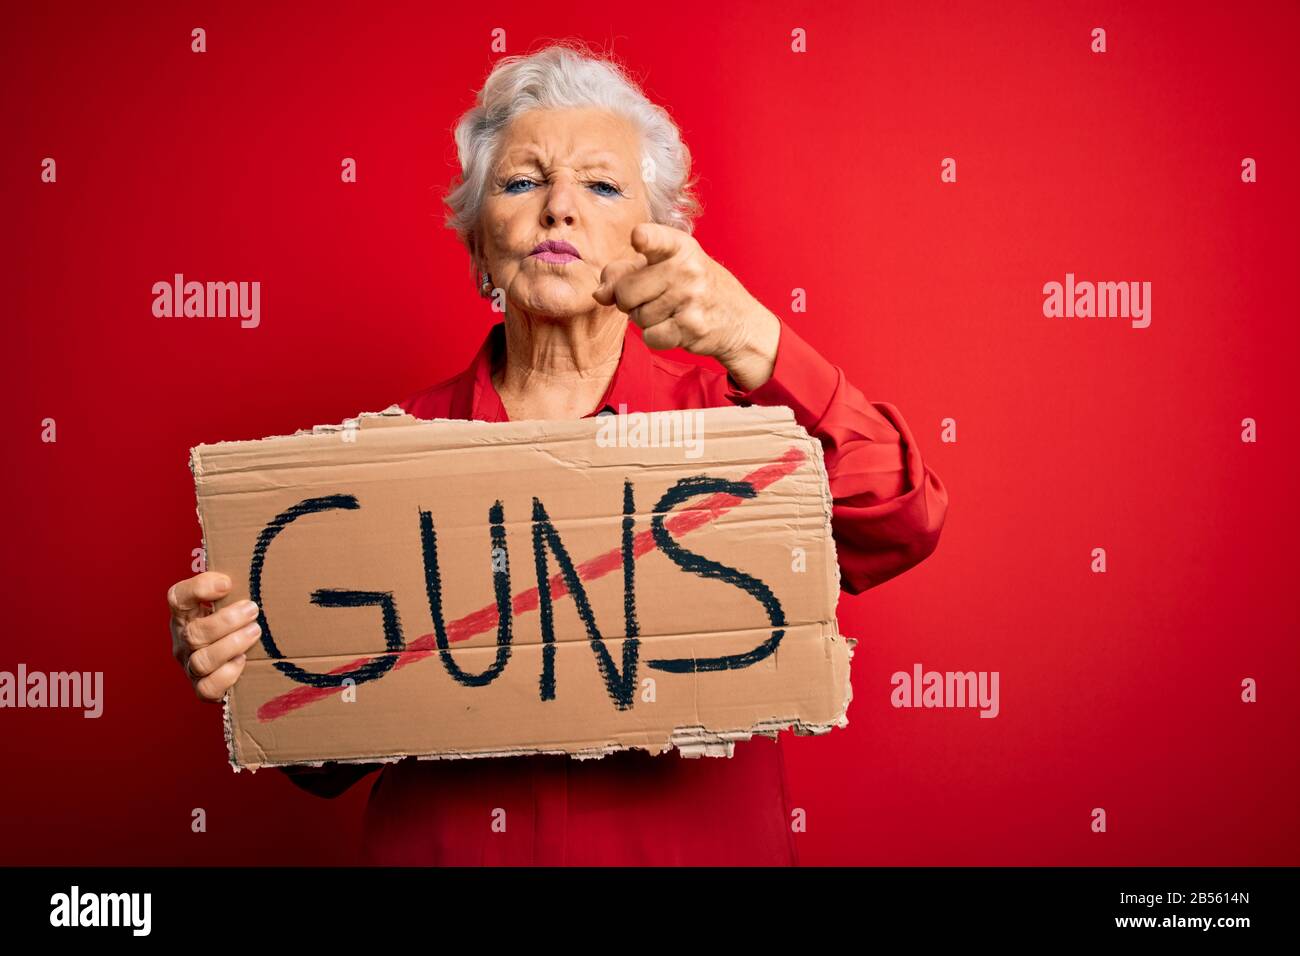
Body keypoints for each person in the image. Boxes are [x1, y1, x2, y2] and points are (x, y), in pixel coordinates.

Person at [167, 41, 949, 865]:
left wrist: (754, 335)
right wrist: (257, 657)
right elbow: (327, 760)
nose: (559, 208)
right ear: (479, 246)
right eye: (521, 181)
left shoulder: (737, 421)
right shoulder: (386, 452)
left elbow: (902, 516)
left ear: (655, 239)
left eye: (602, 185)